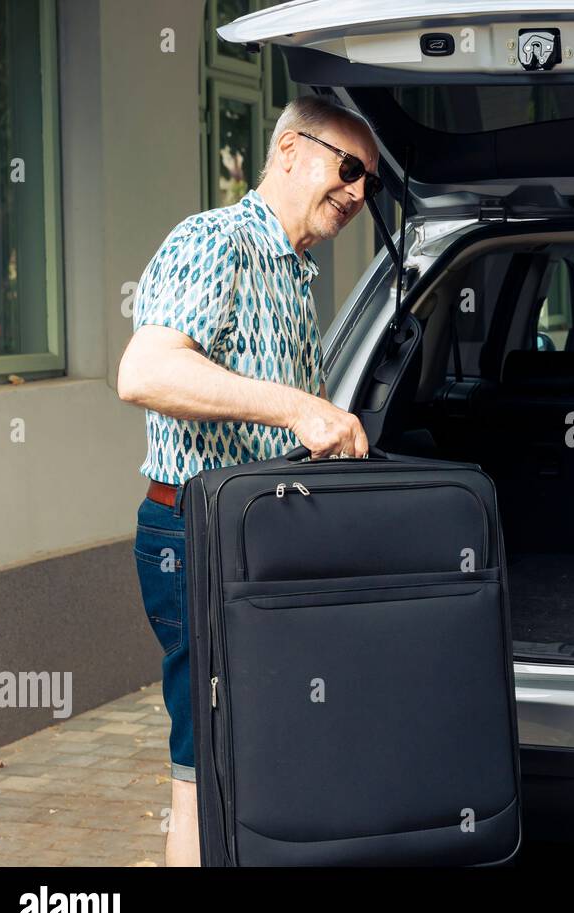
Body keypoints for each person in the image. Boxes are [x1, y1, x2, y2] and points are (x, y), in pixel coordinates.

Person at [117, 95, 379, 865]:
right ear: (292, 149)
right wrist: (300, 408)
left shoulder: (295, 272)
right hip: (194, 540)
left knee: (263, 752)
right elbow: (146, 370)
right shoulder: (214, 241)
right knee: (208, 765)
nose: (361, 192)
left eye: (370, 180)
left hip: (262, 542)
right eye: (350, 167)